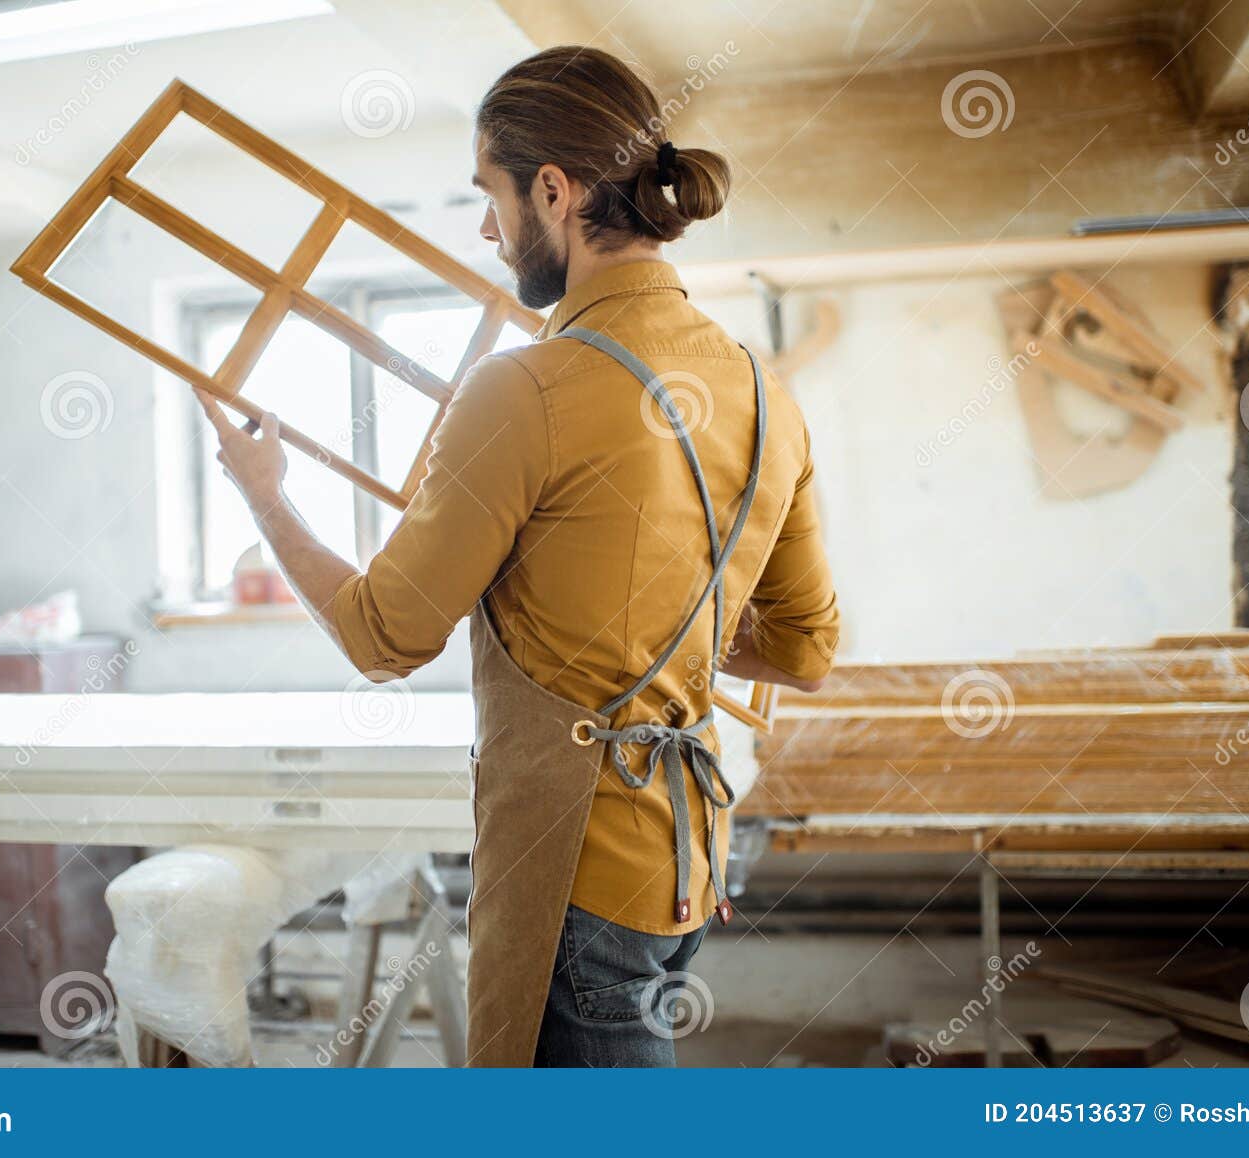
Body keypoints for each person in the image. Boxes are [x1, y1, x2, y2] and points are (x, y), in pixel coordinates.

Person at [198, 45, 840, 1067]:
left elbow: (383, 636)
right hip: (685, 853)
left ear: (554, 188)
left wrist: (267, 497)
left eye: (489, 199)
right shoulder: (765, 391)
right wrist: (653, 628)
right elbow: (805, 649)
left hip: (573, 869)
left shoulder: (525, 388)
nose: (491, 232)